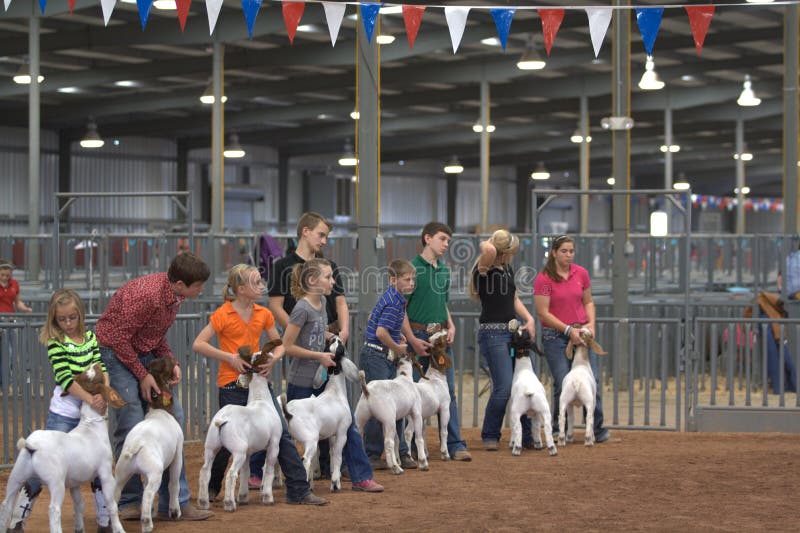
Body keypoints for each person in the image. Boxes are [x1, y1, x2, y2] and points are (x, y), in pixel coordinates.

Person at [192, 264, 327, 505]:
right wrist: (229, 357)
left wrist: (273, 360)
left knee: (283, 433)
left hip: (260, 383)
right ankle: (212, 490)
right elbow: (199, 344)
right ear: (241, 288)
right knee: (225, 438)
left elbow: (280, 343)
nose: (262, 286)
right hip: (231, 384)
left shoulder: (263, 313)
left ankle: (298, 489)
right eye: (256, 282)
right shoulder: (223, 314)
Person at [95, 251, 215, 521]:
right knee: (131, 420)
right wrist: (142, 374)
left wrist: (169, 360)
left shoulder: (175, 296)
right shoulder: (147, 296)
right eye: (198, 285)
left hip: (141, 352)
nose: (202, 289)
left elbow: (155, 335)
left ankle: (176, 502)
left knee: (175, 417)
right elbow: (118, 337)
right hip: (115, 353)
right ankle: (129, 501)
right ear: (181, 284)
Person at [7, 289, 113, 531]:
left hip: (92, 413)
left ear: (80, 315)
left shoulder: (90, 337)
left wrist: (104, 389)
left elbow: (100, 365)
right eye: (61, 319)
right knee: (38, 466)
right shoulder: (56, 342)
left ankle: (105, 521)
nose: (67, 323)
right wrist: (91, 398)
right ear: (54, 319)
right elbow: (65, 377)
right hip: (65, 413)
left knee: (101, 465)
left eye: (72, 318)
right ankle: (16, 521)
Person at [281, 258, 384, 493]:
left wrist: (328, 335)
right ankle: (290, 481)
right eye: (328, 277)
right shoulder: (301, 308)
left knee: (347, 426)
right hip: (302, 382)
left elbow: (313, 331)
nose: (332, 281)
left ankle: (361, 476)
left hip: (323, 378)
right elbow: (287, 346)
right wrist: (319, 356)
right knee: (286, 432)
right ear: (311, 280)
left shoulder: (322, 303)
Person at [267, 211, 349, 478]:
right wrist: (300, 329)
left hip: (325, 342)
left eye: (326, 236)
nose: (324, 240)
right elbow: (275, 305)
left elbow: (340, 301)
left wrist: (342, 333)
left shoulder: (329, 267)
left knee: (328, 409)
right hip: (303, 345)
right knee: (299, 411)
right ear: (305, 232)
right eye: (321, 234)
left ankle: (329, 467)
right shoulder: (282, 266)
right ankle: (289, 470)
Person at [402, 222, 472, 462]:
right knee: (410, 393)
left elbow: (443, 303)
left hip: (440, 338)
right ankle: (409, 446)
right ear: (427, 238)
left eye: (448, 241)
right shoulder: (412, 269)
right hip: (417, 336)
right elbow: (402, 307)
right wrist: (411, 338)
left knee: (448, 391)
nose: (446, 245)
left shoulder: (443, 271)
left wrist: (450, 324)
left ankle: (454, 443)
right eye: (442, 239)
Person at [533, 235, 610, 444]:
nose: (568, 255)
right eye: (564, 251)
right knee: (562, 381)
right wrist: (568, 330)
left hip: (582, 334)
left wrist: (591, 324)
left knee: (592, 380)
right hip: (556, 336)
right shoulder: (544, 279)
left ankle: (596, 429)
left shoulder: (580, 274)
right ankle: (560, 429)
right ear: (554, 253)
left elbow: (588, 301)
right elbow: (543, 312)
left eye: (571, 251)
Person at [470, 230, 537, 451]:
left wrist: (528, 318)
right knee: (504, 387)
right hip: (493, 334)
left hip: (512, 332)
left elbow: (514, 298)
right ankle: (490, 433)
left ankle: (528, 435)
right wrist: (495, 242)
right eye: (512, 250)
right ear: (504, 251)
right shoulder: (484, 270)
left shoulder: (507, 269)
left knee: (523, 384)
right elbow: (488, 249)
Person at [360, 259, 417, 470]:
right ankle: (374, 453)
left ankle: (400, 451)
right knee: (381, 405)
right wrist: (398, 347)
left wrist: (397, 336)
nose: (411, 283)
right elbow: (380, 332)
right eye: (406, 279)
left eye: (413, 279)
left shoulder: (393, 298)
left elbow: (377, 325)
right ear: (393, 280)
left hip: (380, 354)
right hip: (378, 355)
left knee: (395, 404)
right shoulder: (394, 302)